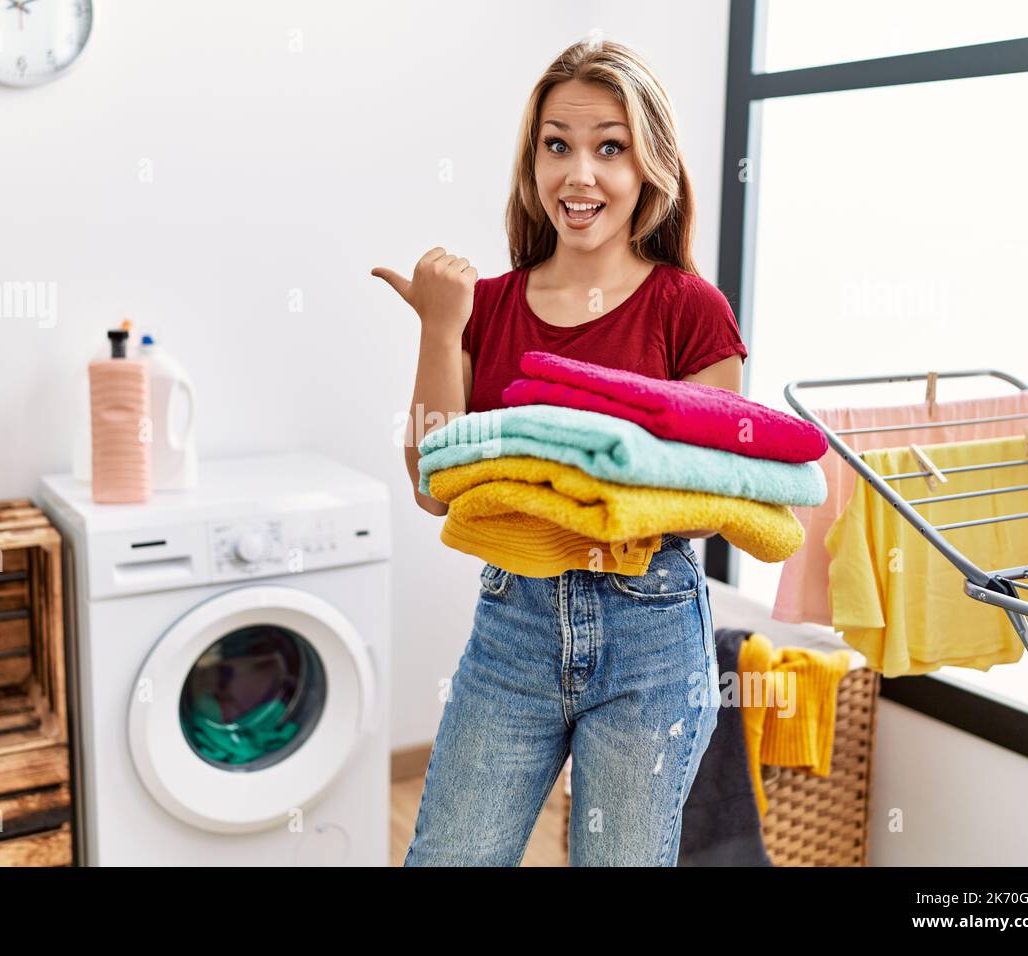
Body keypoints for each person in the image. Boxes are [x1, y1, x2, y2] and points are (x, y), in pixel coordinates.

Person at [372, 35, 748, 866]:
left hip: (651, 629)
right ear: (531, 160)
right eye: (557, 145)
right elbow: (435, 487)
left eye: (609, 147)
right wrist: (441, 328)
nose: (579, 175)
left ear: (649, 164)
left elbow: (720, 490)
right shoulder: (487, 307)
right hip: (515, 626)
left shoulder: (691, 310)